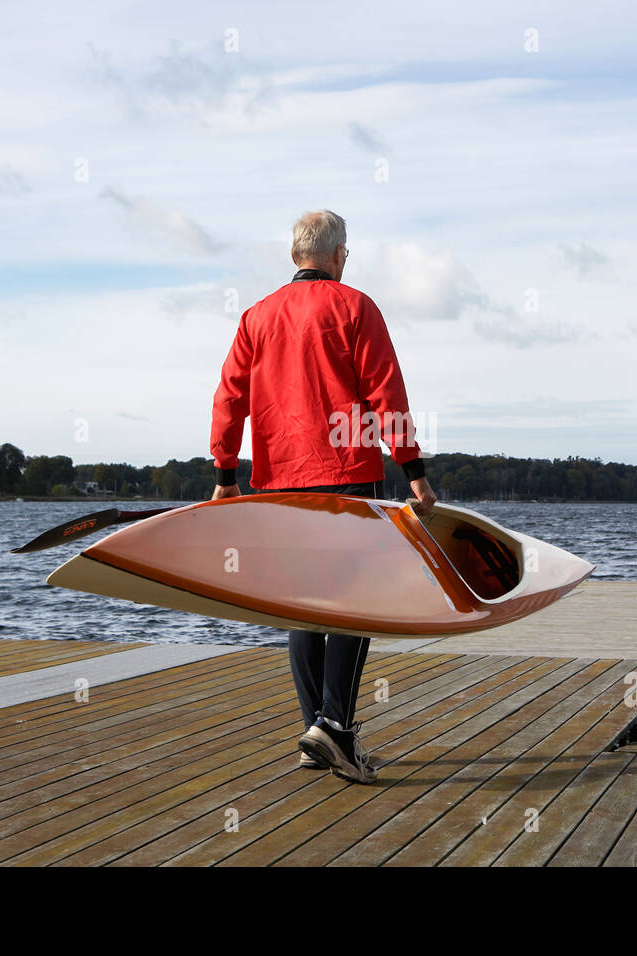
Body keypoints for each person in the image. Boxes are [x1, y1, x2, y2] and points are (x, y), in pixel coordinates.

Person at [209, 209, 437, 784]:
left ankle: (319, 730)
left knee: (304, 603)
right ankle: (334, 727)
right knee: (355, 601)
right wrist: (412, 468)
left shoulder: (256, 317)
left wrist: (225, 471)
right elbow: (387, 390)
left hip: (279, 478)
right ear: (338, 256)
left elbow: (229, 397)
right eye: (345, 254)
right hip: (346, 472)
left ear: (294, 257)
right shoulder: (355, 307)